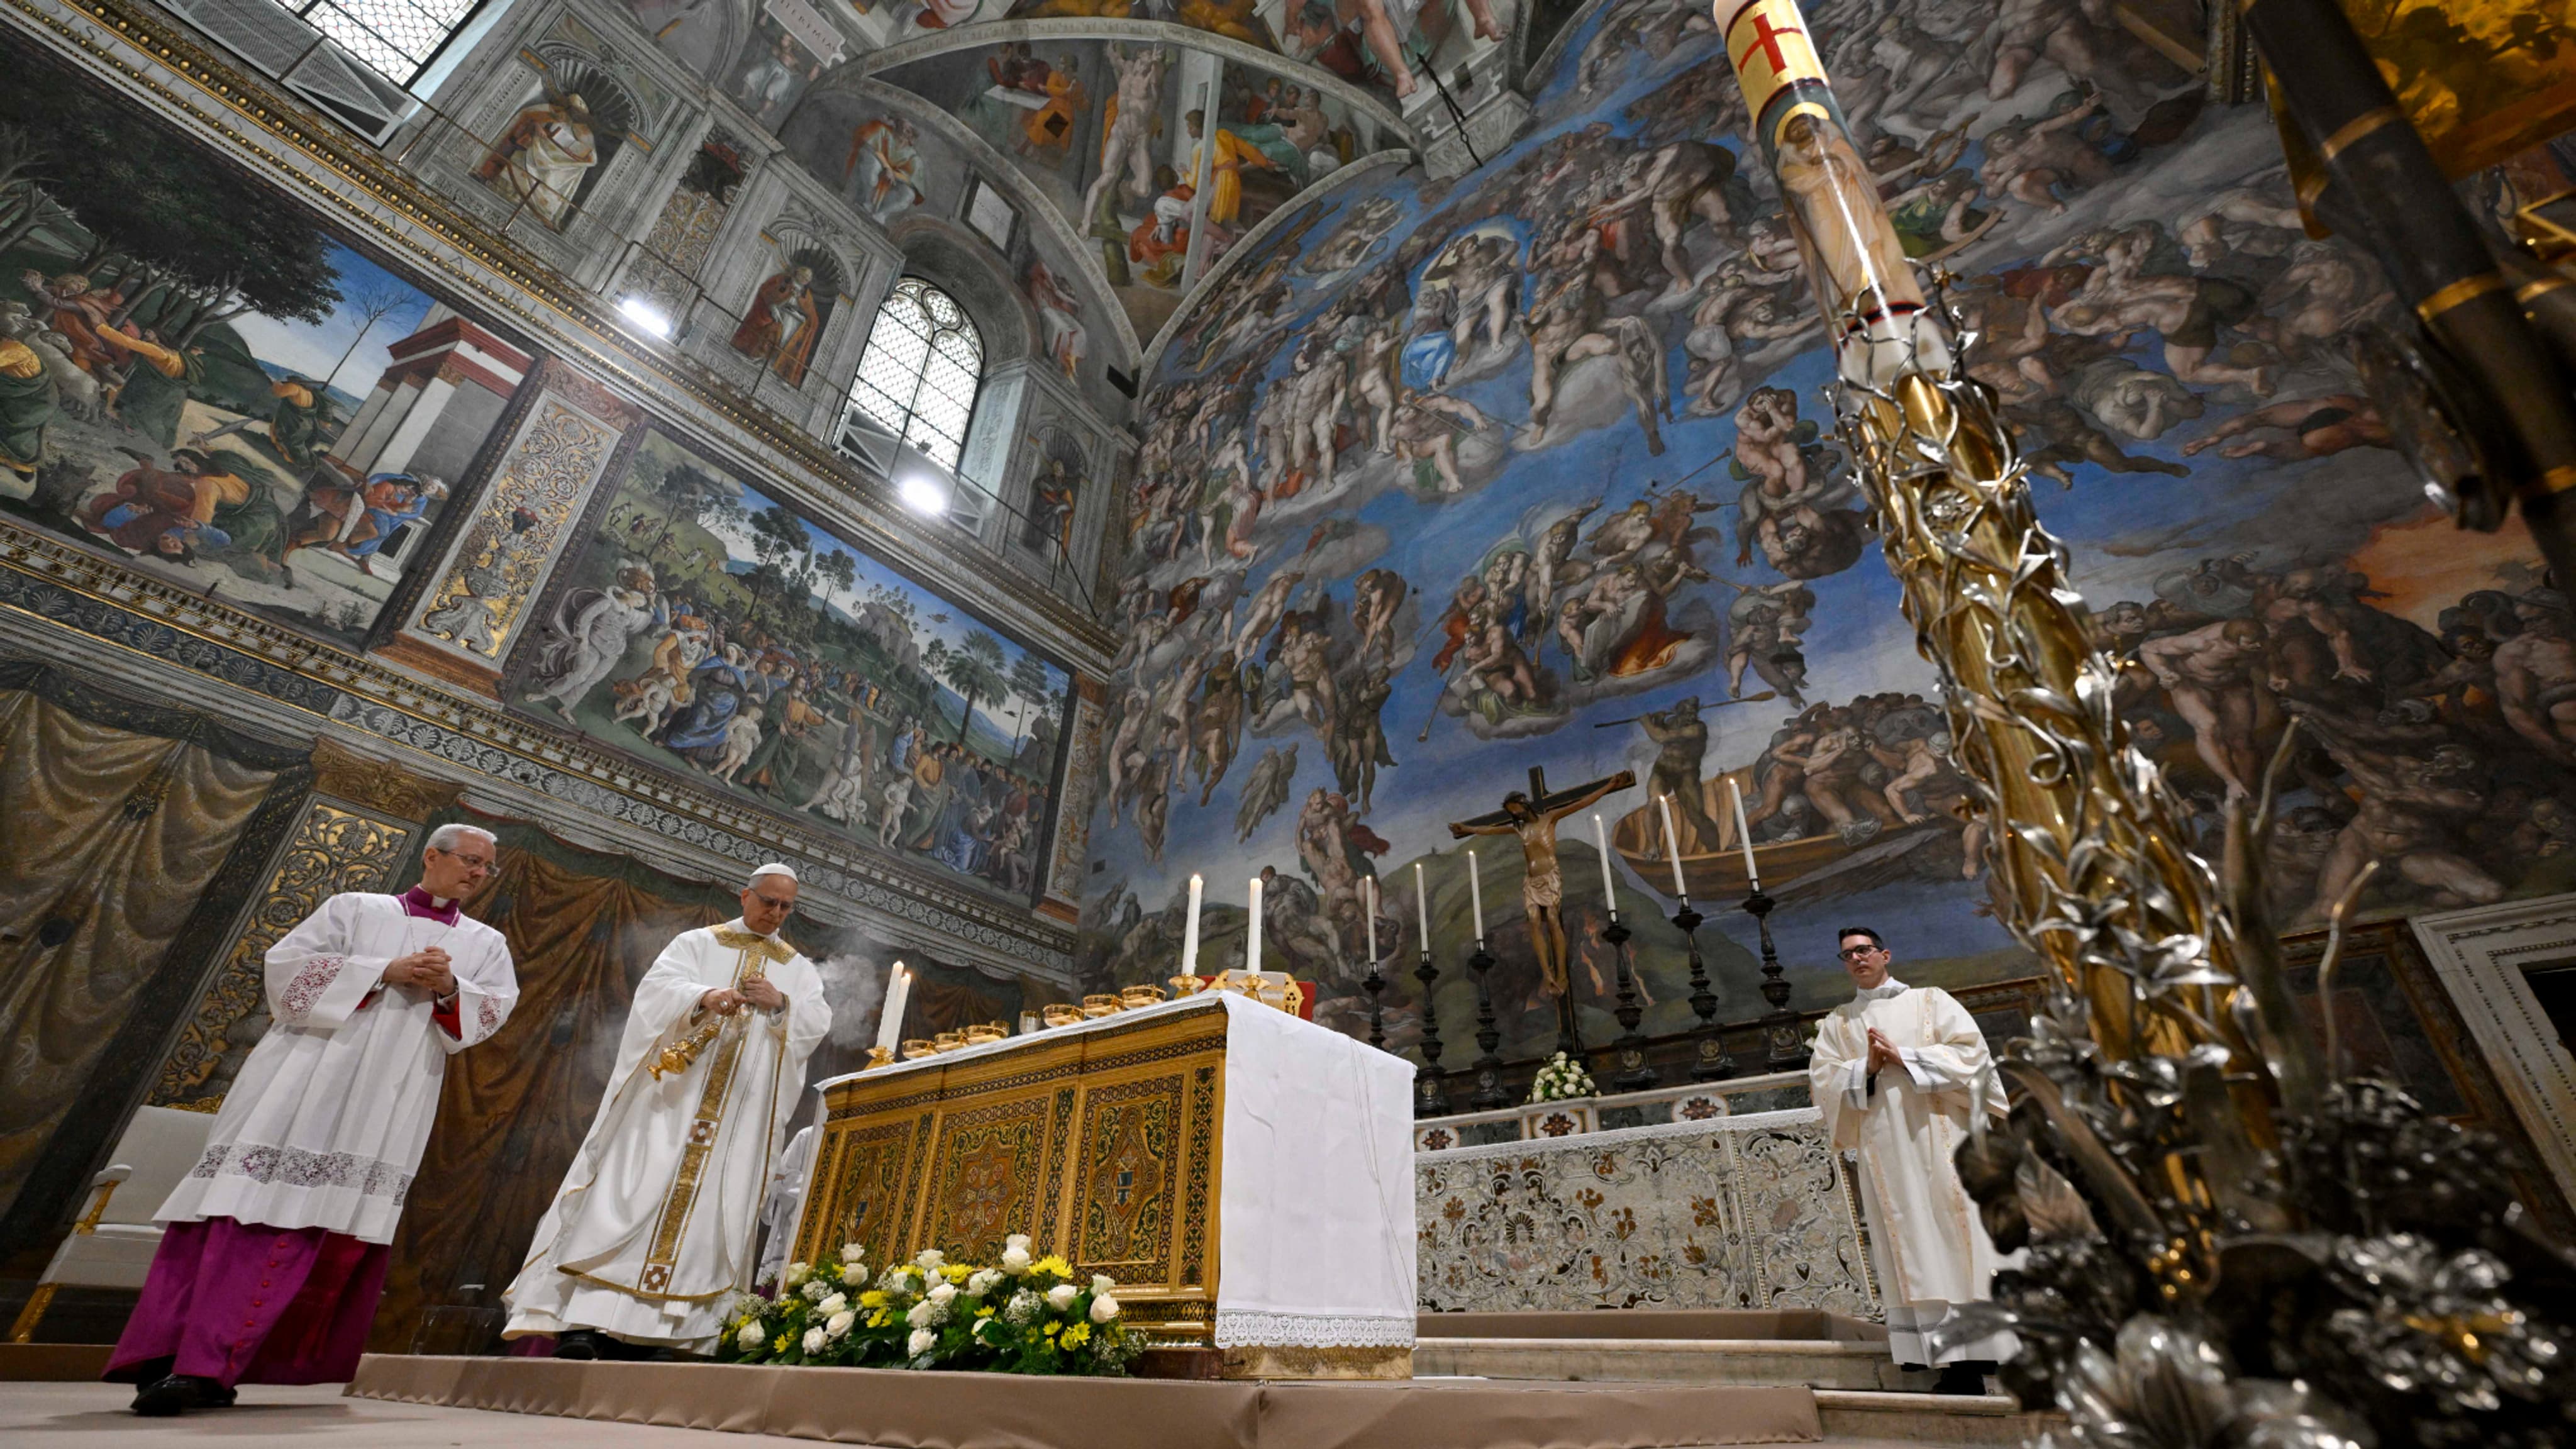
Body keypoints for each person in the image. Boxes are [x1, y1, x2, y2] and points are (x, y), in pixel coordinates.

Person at [105, 826, 516, 1414]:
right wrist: (384, 971)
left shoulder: (486, 943)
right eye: (471, 861)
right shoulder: (356, 908)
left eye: (487, 868)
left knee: (322, 1222)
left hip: (387, 1098)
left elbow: (488, 1014)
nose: (478, 874)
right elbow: (287, 976)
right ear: (432, 855)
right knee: (241, 1207)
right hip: (298, 1081)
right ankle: (176, 1357)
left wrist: (451, 988)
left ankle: (215, 1368)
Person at [504, 865, 829, 1358]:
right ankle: (585, 1322)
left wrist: (782, 1003)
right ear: (745, 896)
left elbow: (816, 1023)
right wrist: (704, 996)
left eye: (786, 907)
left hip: (736, 1120)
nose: (777, 913)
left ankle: (667, 1334)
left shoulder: (798, 968)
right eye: (769, 902)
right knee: (629, 1195)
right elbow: (654, 994)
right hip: (669, 1105)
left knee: (707, 1215)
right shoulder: (698, 944)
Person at [1807, 927, 2010, 1394]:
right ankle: (1947, 1361)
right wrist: (1866, 1068)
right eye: (1847, 955)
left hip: (1945, 1142)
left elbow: (1974, 1059)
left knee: (1961, 1238)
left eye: (1863, 950)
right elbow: (1824, 1085)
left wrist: (1907, 1057)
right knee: (1916, 1243)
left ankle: (1989, 1347)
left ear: (1885, 954)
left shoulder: (1932, 1001)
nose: (1857, 959)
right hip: (1888, 1153)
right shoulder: (1838, 1023)